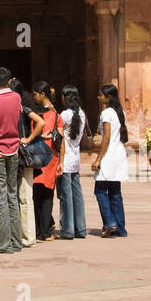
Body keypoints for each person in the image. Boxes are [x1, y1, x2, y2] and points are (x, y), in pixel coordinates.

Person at [0, 69, 22, 254]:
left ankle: (4, 243)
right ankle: (16, 241)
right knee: (12, 195)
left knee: (0, 196)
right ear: (9, 81)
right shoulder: (16, 97)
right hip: (14, 148)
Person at [92, 83, 129, 237]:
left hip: (108, 155)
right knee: (115, 191)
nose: (98, 97)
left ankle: (109, 222)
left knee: (100, 190)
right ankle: (120, 228)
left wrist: (98, 159)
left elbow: (106, 137)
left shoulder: (107, 113)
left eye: (101, 95)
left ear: (108, 97)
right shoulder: (120, 112)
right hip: (118, 153)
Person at [55, 85, 88, 239]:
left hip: (64, 159)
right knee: (77, 194)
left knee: (65, 195)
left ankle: (67, 229)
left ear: (65, 98)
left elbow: (59, 137)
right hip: (75, 159)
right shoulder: (81, 113)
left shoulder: (64, 115)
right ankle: (80, 228)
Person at [29, 81, 60, 241]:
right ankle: (45, 230)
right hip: (50, 156)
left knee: (38, 195)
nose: (33, 97)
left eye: (35, 94)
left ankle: (39, 230)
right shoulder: (56, 117)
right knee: (46, 195)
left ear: (42, 95)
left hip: (38, 156)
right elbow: (60, 138)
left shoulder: (34, 116)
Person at [15, 82, 42, 248]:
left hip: (23, 155)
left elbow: (41, 122)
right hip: (18, 154)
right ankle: (23, 233)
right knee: (19, 195)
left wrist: (28, 139)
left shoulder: (23, 109)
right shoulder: (20, 108)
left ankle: (28, 236)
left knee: (24, 195)